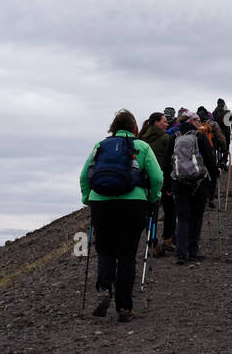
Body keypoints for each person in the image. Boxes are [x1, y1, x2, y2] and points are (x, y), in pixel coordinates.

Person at [80, 109, 164, 322]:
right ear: (134, 129)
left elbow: (84, 175)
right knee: (127, 255)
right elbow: (157, 177)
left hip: (101, 203)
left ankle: (104, 289)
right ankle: (124, 308)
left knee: (105, 250)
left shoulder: (101, 146)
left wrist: (87, 198)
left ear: (113, 128)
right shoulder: (142, 146)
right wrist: (153, 198)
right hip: (133, 203)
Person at [169, 113, 218, 265]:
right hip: (199, 182)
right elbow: (209, 160)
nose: (199, 122)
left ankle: (180, 253)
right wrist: (215, 174)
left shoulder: (174, 137)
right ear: (191, 121)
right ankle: (192, 251)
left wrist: (167, 185)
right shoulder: (200, 137)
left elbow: (166, 162)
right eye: (197, 120)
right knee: (196, 216)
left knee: (182, 217)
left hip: (178, 182)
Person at [138, 112, 176, 255]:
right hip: (162, 179)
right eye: (164, 122)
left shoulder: (141, 138)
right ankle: (167, 239)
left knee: (150, 213)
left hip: (143, 181)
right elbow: (170, 162)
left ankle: (152, 243)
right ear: (156, 123)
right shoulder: (167, 138)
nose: (167, 124)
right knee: (170, 209)